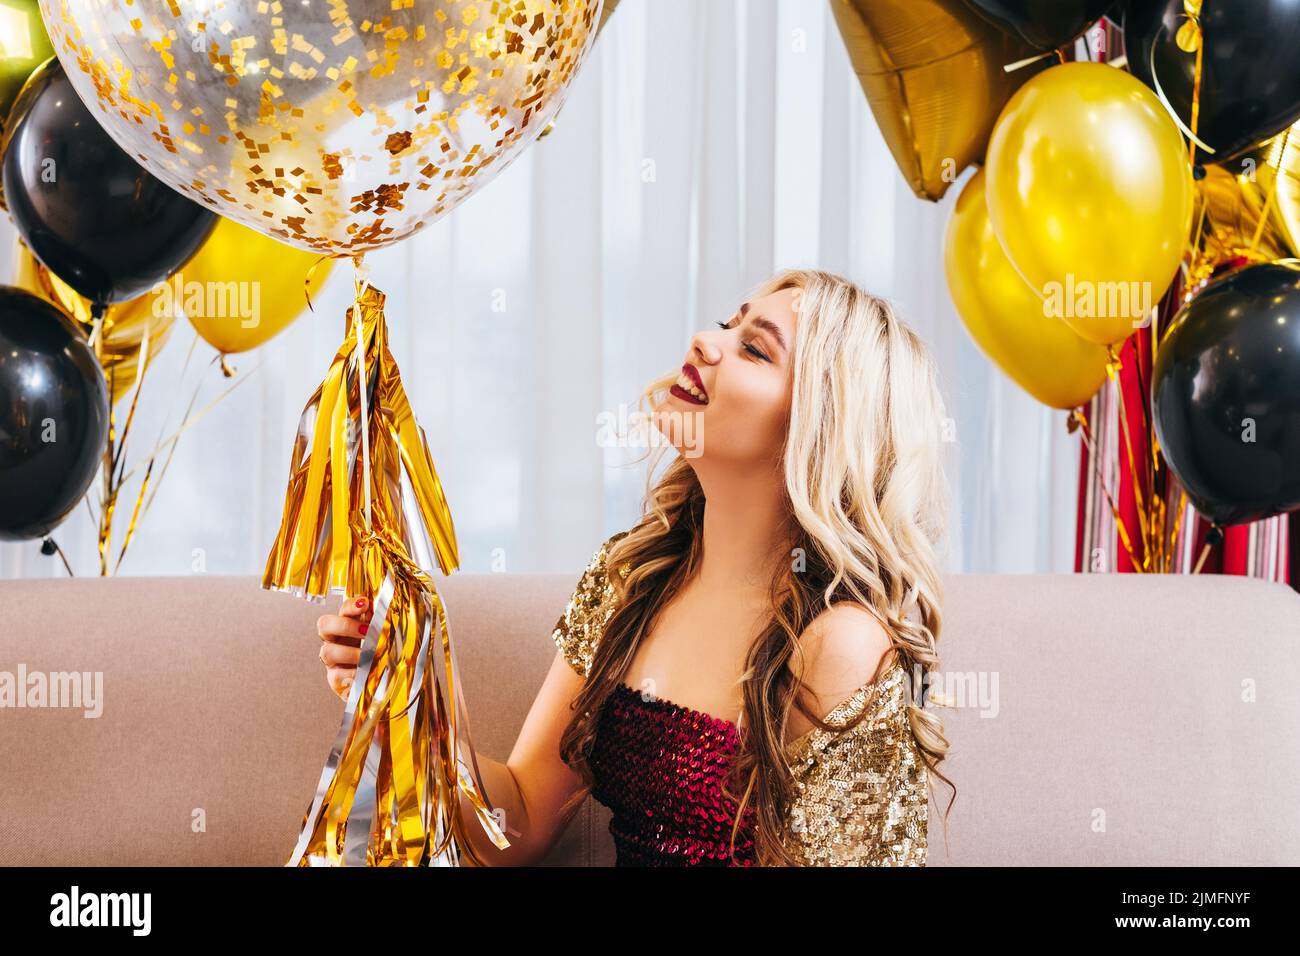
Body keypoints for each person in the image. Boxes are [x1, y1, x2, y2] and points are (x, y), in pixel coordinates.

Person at [316, 267, 955, 866]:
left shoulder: (838, 643)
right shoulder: (632, 580)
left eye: (755, 350)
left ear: (821, 429)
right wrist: (416, 708)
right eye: (726, 325)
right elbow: (523, 820)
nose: (707, 342)